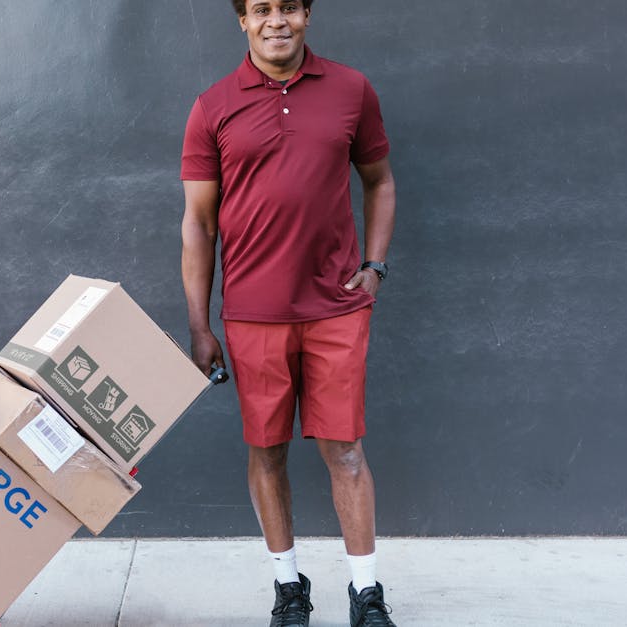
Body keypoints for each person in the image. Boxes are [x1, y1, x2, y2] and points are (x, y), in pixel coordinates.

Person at [179, 1, 397, 625]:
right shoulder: (212, 106)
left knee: (345, 451)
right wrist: (200, 323)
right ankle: (288, 586)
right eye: (262, 9)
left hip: (336, 308)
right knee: (267, 450)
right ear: (242, 21)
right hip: (252, 315)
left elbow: (379, 179)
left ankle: (366, 593)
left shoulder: (351, 90)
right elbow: (197, 223)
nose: (277, 20)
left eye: (290, 7)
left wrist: (374, 267)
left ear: (307, 15)